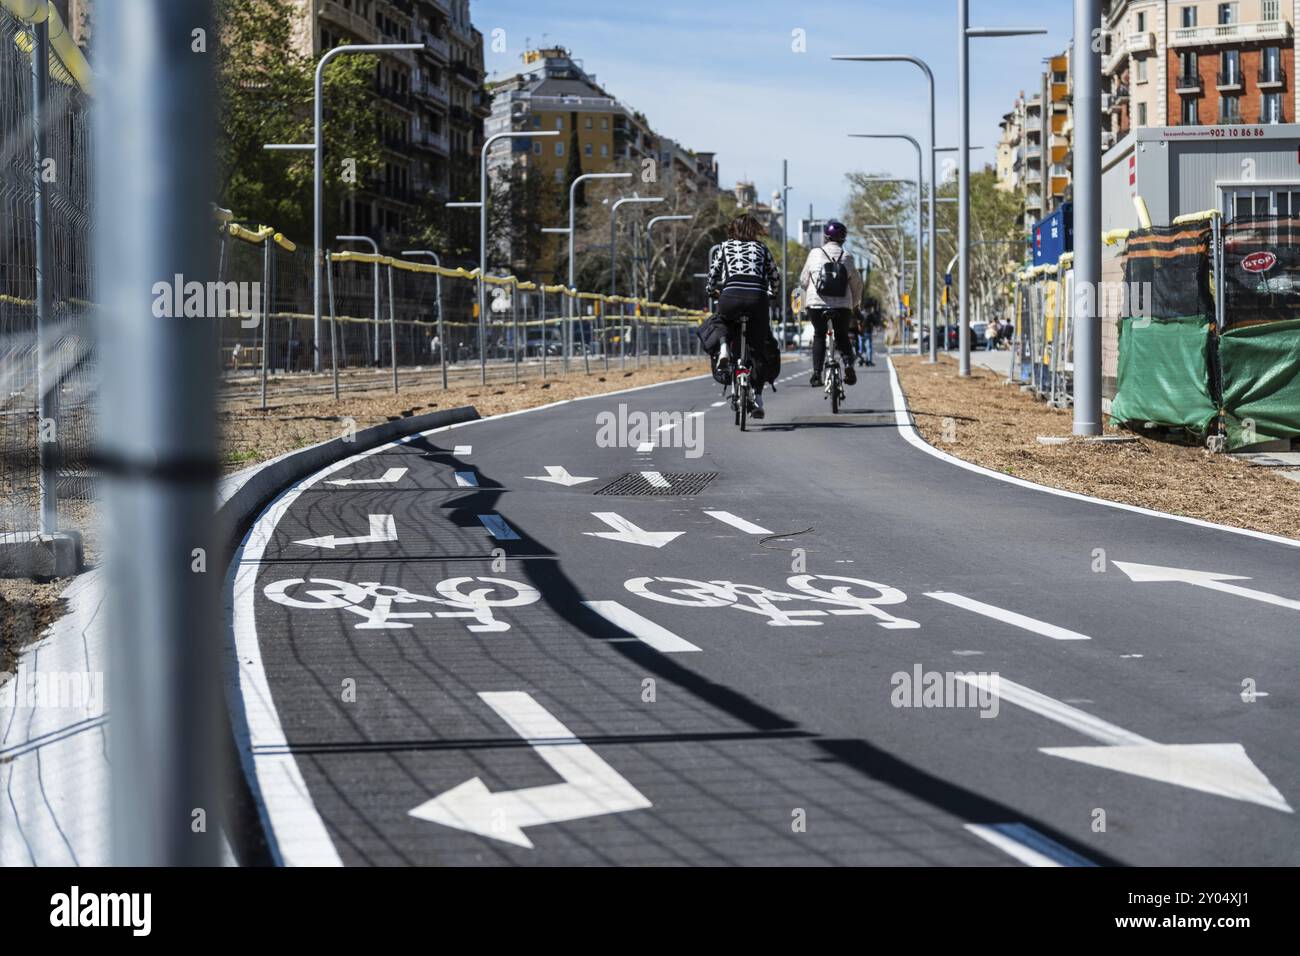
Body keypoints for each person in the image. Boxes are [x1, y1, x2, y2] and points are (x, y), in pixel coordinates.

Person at [705, 213, 781, 419]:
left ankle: (723, 348)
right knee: (758, 346)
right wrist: (773, 293)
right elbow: (775, 276)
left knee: (720, 320)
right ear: (755, 229)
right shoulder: (762, 248)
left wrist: (712, 291)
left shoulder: (724, 247)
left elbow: (712, 276)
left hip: (730, 296)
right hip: (757, 298)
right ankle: (757, 397)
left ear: (733, 229)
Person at [798, 220, 863, 387]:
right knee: (841, 335)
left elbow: (803, 280)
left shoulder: (814, 253)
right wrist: (854, 305)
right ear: (843, 239)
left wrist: (809, 293)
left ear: (826, 237)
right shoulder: (848, 257)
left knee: (819, 335)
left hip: (816, 304)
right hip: (842, 306)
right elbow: (857, 285)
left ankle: (816, 374)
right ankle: (848, 365)